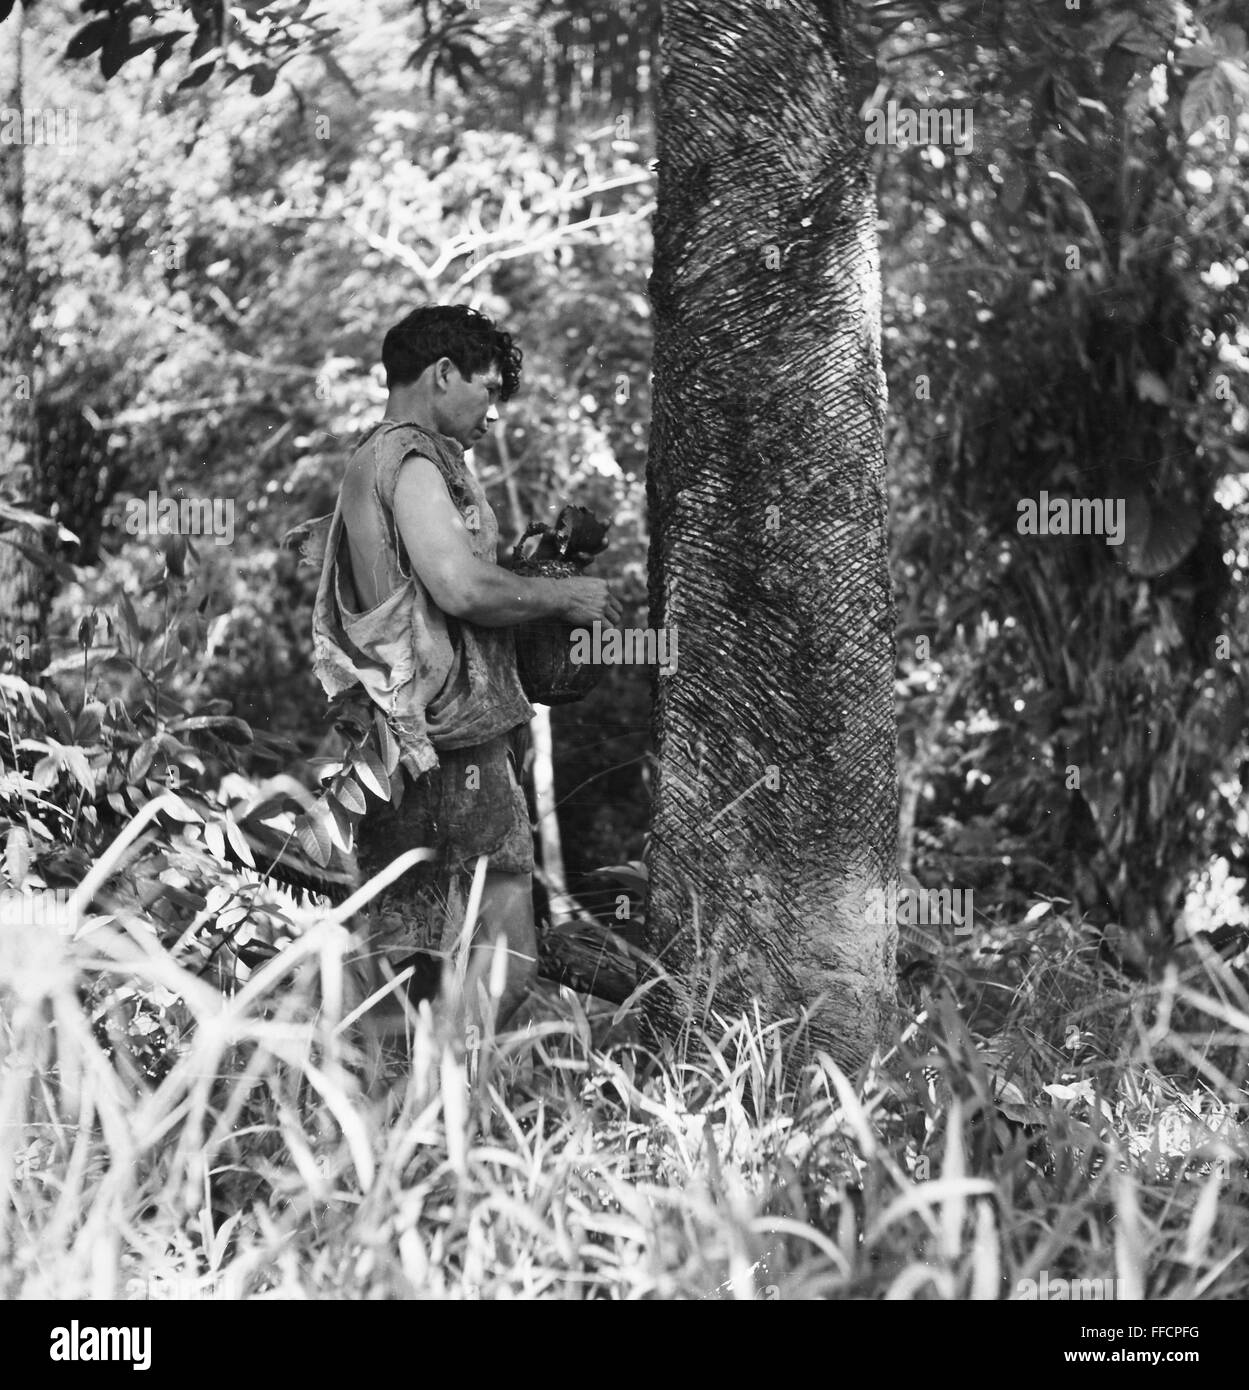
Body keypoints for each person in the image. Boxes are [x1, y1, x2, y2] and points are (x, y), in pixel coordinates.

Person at [309, 304, 622, 1040]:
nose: (490, 415)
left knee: (427, 966)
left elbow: (447, 590)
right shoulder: (408, 459)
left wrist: (526, 570)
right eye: (485, 390)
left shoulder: (398, 460)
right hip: (434, 753)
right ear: (442, 373)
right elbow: (458, 589)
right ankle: (419, 1122)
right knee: (431, 968)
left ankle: (420, 1124)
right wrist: (564, 596)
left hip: (446, 746)